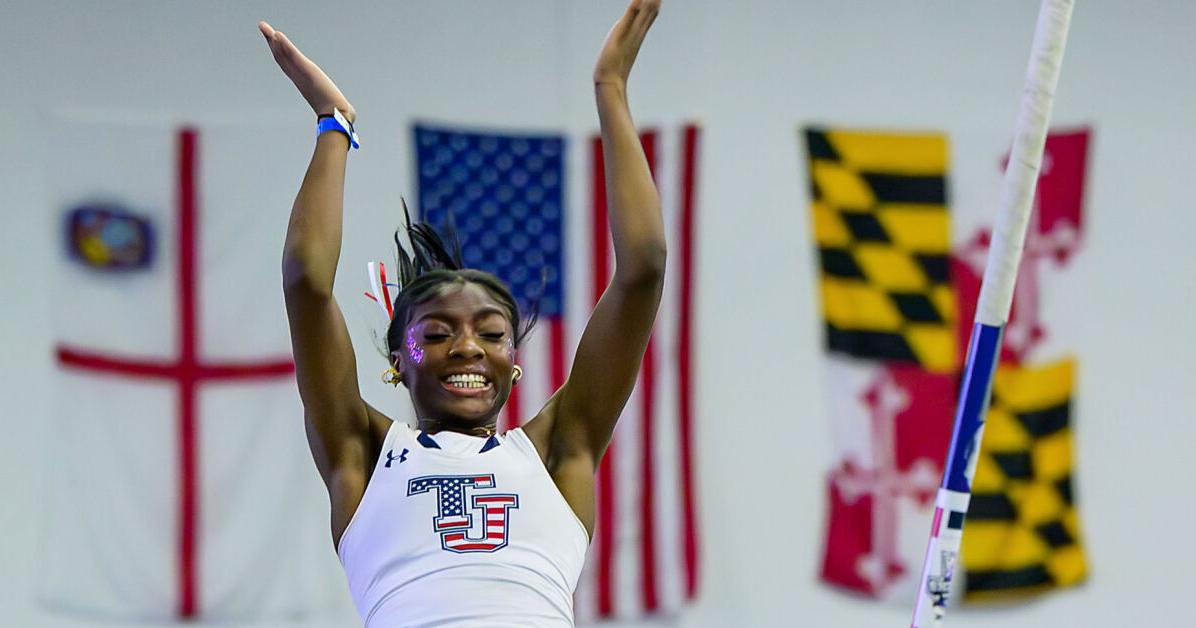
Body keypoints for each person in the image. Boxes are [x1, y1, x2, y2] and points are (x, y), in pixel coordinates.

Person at [260, 1, 664, 625]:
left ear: (514, 360)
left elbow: (643, 270)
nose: (470, 347)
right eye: (439, 333)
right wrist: (333, 125)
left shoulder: (558, 453)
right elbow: (306, 282)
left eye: (493, 333)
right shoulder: (361, 455)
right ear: (399, 360)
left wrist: (611, 88)